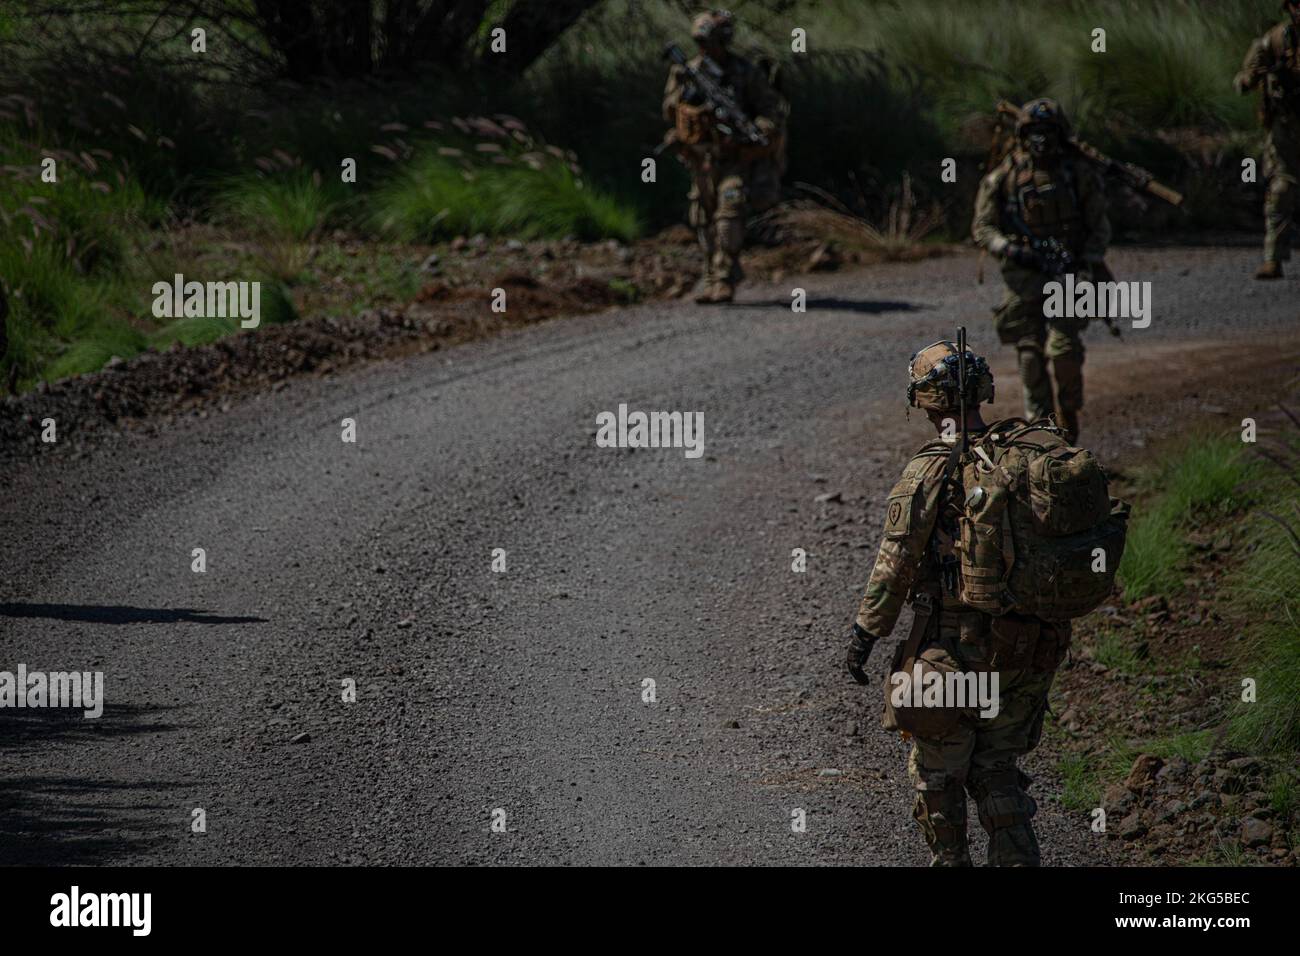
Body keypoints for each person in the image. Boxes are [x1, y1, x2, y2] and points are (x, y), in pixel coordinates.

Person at [846, 340, 1077, 866]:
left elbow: (897, 559)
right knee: (996, 770)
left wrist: (866, 633)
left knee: (937, 772)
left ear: (926, 401)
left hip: (954, 649)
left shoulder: (930, 469)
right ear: (983, 391)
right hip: (1031, 647)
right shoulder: (1026, 453)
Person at [972, 98, 1110, 444]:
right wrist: (1012, 249)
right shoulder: (1006, 176)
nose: (1041, 141)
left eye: (1048, 133)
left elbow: (1100, 227)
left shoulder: (1078, 174)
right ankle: (1043, 433)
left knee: (1063, 351)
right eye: (1034, 133)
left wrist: (1086, 263)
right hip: (1023, 278)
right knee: (1030, 355)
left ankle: (1069, 413)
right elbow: (983, 227)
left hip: (1067, 276)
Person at [662, 9, 786, 303]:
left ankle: (724, 278)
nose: (706, 49)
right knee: (702, 217)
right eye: (702, 42)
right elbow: (670, 109)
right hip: (701, 157)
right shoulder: (686, 72)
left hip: (735, 157)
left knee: (728, 215)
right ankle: (709, 276)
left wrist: (754, 133)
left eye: (712, 42)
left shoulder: (744, 72)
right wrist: (691, 108)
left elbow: (771, 110)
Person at [1235, 0, 1300, 279]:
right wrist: (1253, 76)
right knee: (1281, 191)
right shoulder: (1271, 41)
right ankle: (1273, 257)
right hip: (1285, 132)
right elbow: (1240, 83)